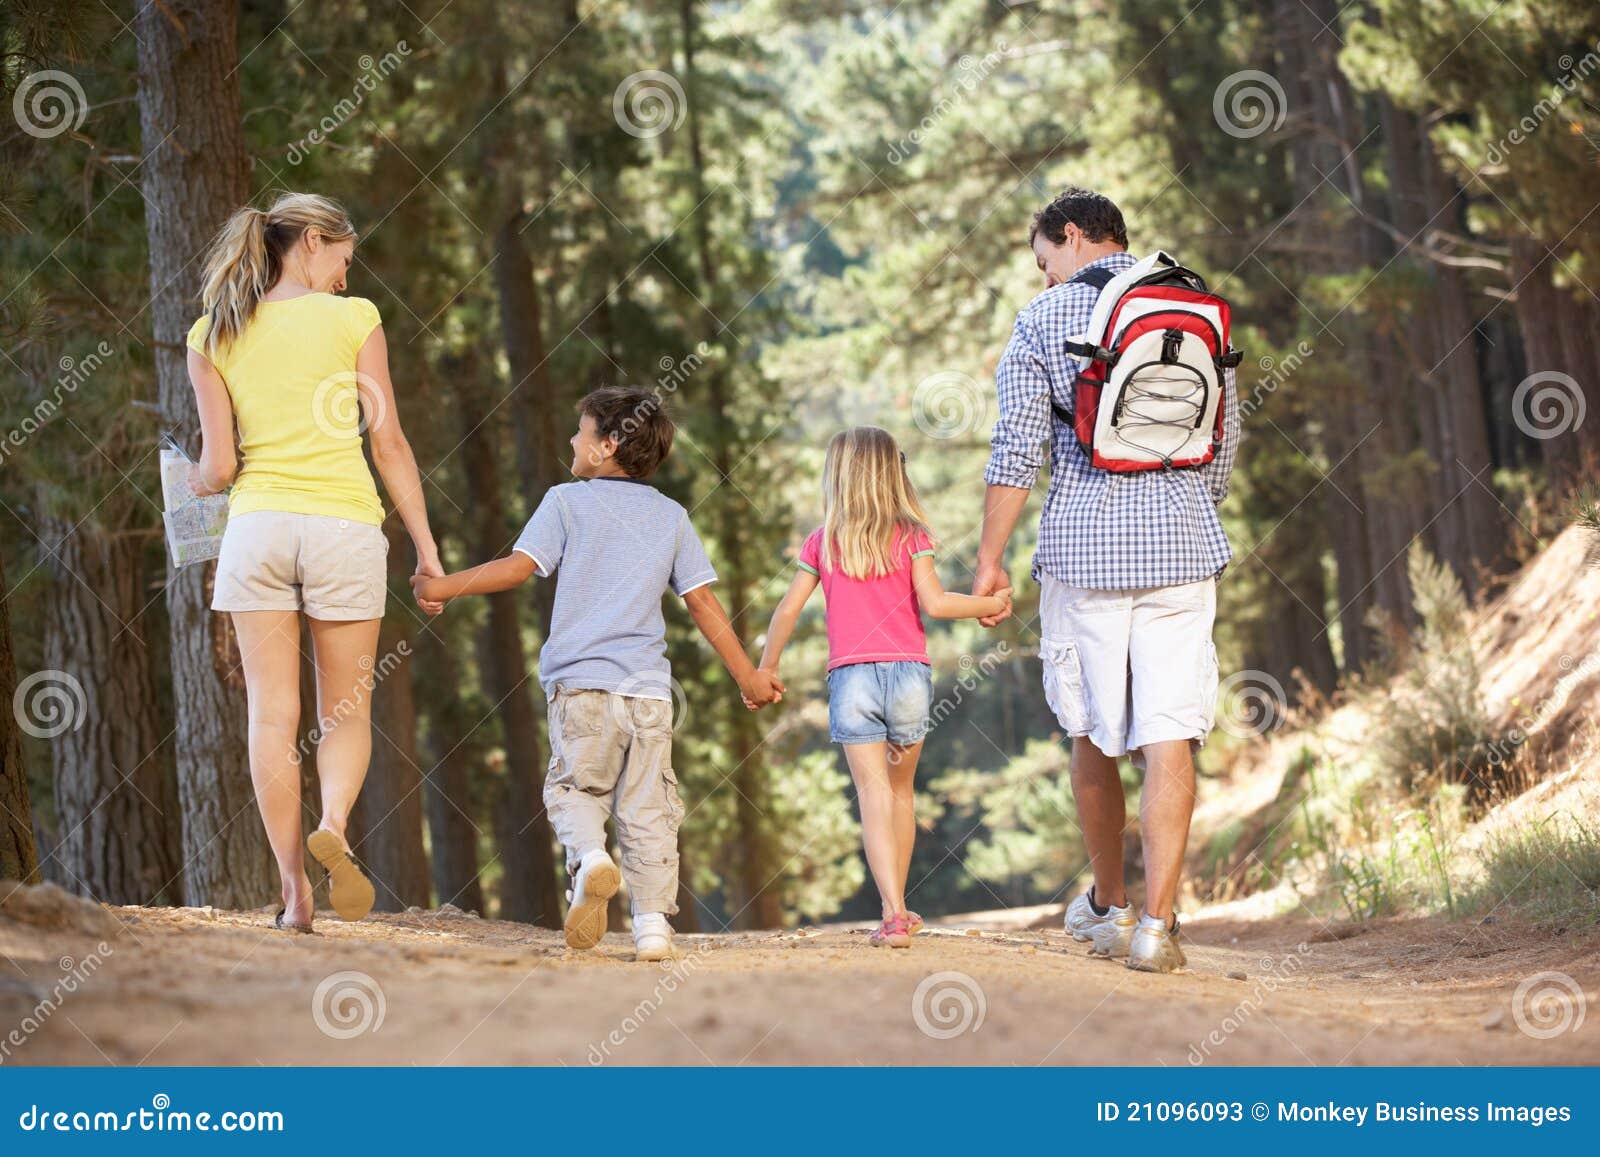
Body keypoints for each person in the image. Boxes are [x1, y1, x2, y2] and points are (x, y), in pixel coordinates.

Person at [412, 387, 784, 961]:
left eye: (580, 432)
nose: (571, 440)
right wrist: (748, 678)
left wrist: (438, 586)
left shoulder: (565, 501)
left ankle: (590, 859)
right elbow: (703, 604)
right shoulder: (672, 516)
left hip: (581, 686)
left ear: (606, 445)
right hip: (648, 694)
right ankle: (653, 924)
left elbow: (517, 570)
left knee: (574, 788)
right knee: (649, 808)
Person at [972, 187, 1241, 973]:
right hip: (1183, 553)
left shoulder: (1043, 319)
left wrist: (990, 560)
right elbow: (1220, 441)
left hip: (1084, 555)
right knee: (1169, 732)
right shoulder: (1193, 301)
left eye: (1044, 257)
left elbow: (1018, 451)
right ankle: (1159, 926)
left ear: (1075, 234)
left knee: (1090, 729)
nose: (1045, 274)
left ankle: (1110, 905)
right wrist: (1184, 504)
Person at [186, 192, 444, 933]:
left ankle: (295, 889)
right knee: (345, 708)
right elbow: (387, 441)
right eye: (342, 258)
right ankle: (333, 820)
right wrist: (425, 547)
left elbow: (220, 465)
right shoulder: (354, 320)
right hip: (342, 525)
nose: (343, 274)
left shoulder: (213, 333)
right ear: (310, 242)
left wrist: (195, 482)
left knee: (273, 714)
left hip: (258, 527)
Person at [755, 427, 1011, 948]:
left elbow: (787, 608)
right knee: (900, 792)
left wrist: (767, 667)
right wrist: (991, 605)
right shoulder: (912, 535)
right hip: (908, 677)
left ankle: (892, 914)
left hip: (850, 679)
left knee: (872, 795)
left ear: (839, 477)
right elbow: (937, 605)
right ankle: (903, 906)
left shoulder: (822, 541)